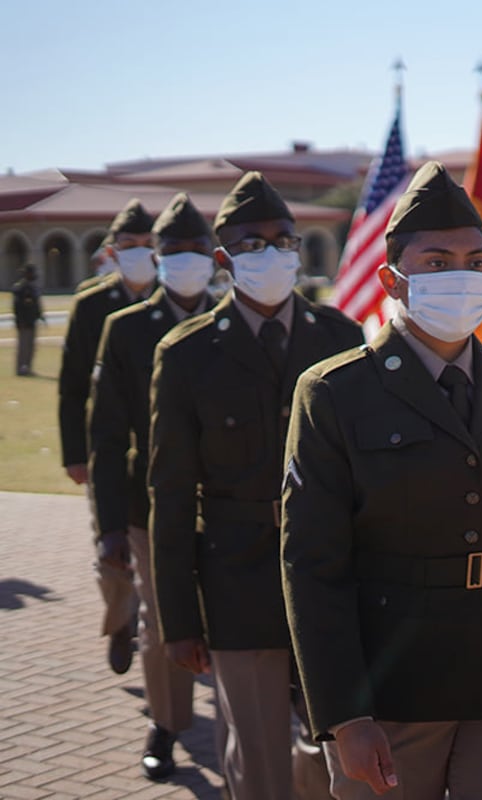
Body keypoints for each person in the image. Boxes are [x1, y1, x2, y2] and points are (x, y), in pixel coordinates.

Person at [280, 161, 482, 800]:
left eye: (476, 260)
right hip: (395, 680)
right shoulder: (334, 394)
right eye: (436, 262)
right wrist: (344, 715)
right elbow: (312, 566)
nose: (461, 274)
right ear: (391, 281)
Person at [149, 172, 362, 800]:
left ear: (300, 249)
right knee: (259, 755)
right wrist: (178, 618)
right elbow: (169, 492)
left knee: (339, 748)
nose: (270, 254)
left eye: (283, 240)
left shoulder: (341, 338)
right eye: (251, 245)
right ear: (223, 259)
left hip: (331, 573)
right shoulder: (185, 353)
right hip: (235, 576)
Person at [88, 193, 216, 780]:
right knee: (163, 619)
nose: (186, 259)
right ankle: (166, 725)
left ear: (213, 256)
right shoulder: (126, 329)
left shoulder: (237, 318)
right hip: (151, 505)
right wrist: (109, 526)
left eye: (197, 249)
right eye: (175, 250)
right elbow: (108, 438)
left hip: (225, 508)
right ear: (157, 256)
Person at [59, 198, 160, 675]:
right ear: (111, 251)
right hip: (109, 451)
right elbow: (73, 385)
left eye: (147, 244)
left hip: (166, 452)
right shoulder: (92, 305)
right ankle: (122, 620)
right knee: (112, 548)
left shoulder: (177, 299)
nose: (140, 252)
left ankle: (159, 624)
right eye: (129, 245)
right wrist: (74, 454)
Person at [12, 263, 43, 376]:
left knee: (31, 346)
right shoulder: (20, 288)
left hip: (32, 321)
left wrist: (40, 315)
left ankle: (28, 367)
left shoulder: (33, 287)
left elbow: (36, 304)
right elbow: (18, 307)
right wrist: (20, 321)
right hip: (24, 322)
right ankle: (21, 368)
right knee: (23, 346)